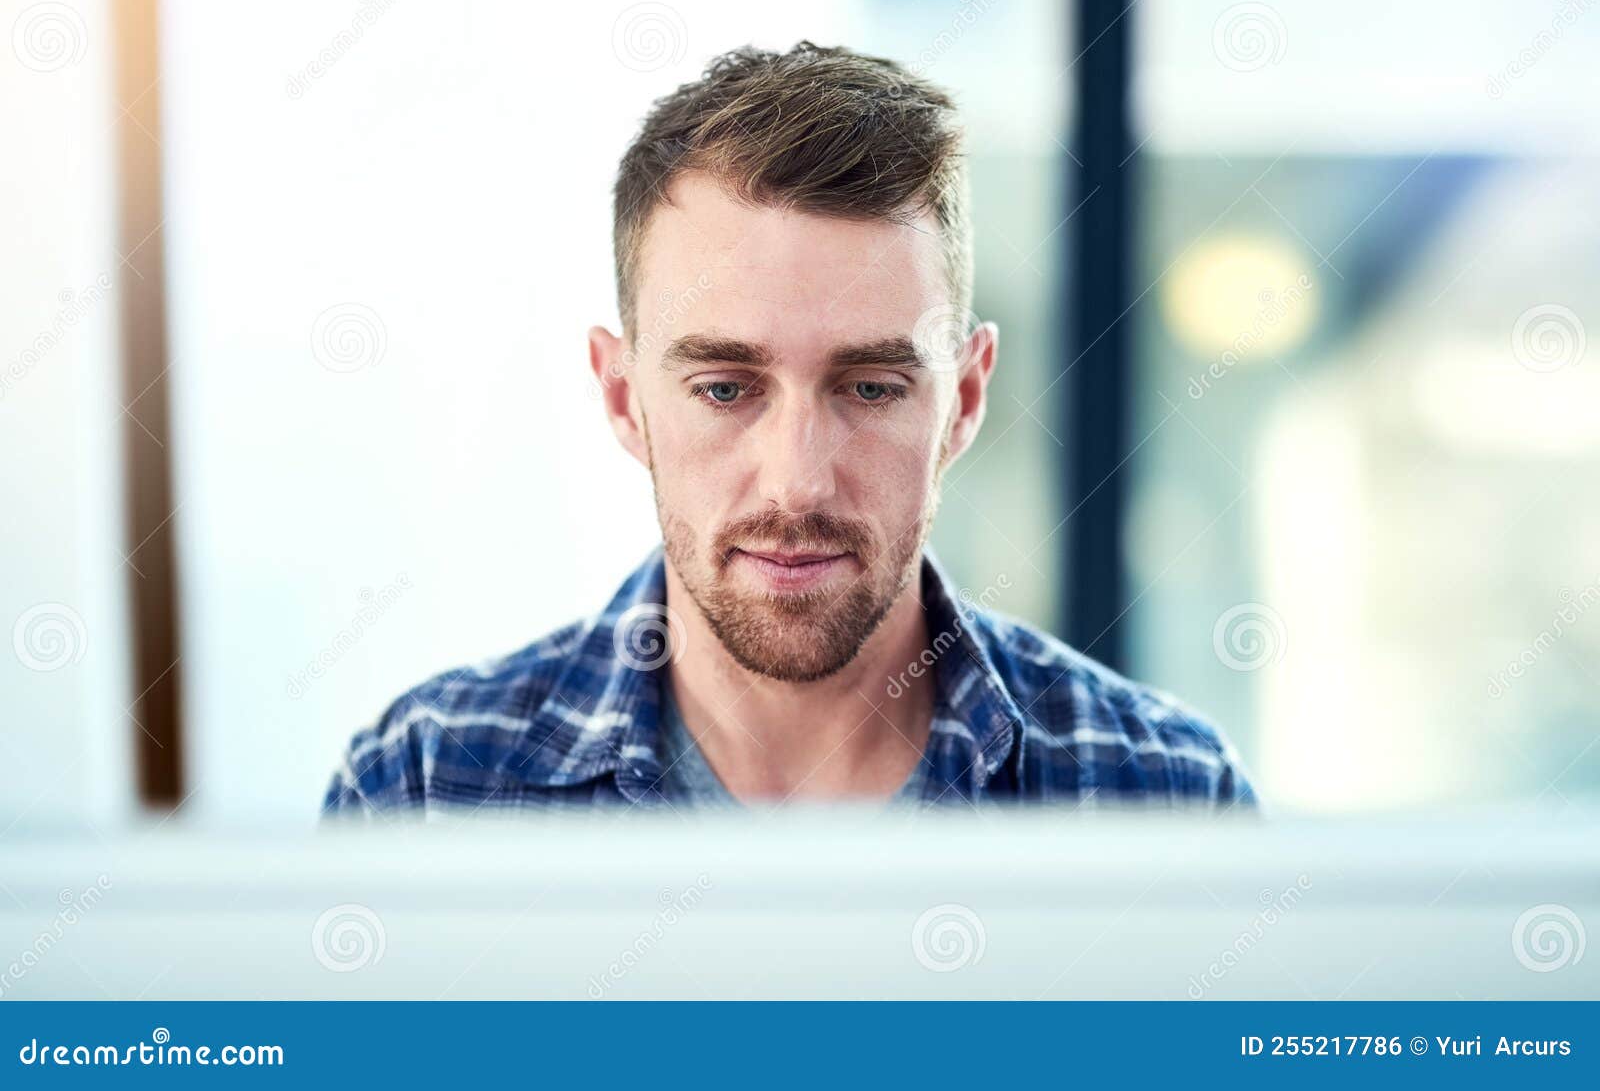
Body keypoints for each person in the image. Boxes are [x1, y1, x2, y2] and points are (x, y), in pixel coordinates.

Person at [323, 42, 1255, 815]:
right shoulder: (426, 795)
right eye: (726, 389)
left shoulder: (1164, 799)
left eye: (873, 388)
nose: (797, 483)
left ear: (963, 401)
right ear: (623, 398)